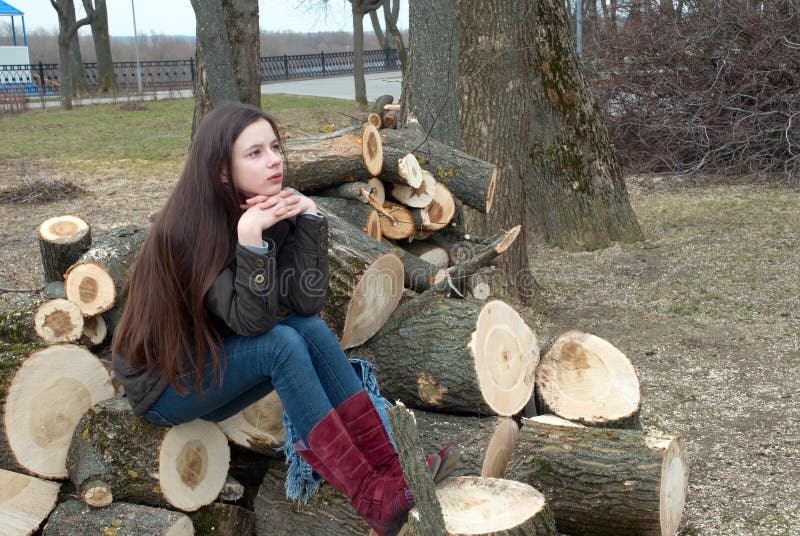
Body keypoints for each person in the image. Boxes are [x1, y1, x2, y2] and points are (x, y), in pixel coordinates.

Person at [112, 103, 455, 536]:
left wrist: (310, 220)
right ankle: (370, 495)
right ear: (221, 170)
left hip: (216, 357)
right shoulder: (187, 232)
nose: (274, 159)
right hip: (166, 386)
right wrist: (250, 240)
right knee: (281, 345)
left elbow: (305, 304)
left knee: (307, 331)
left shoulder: (266, 208)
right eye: (254, 153)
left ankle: (392, 469)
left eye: (274, 147)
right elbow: (252, 325)